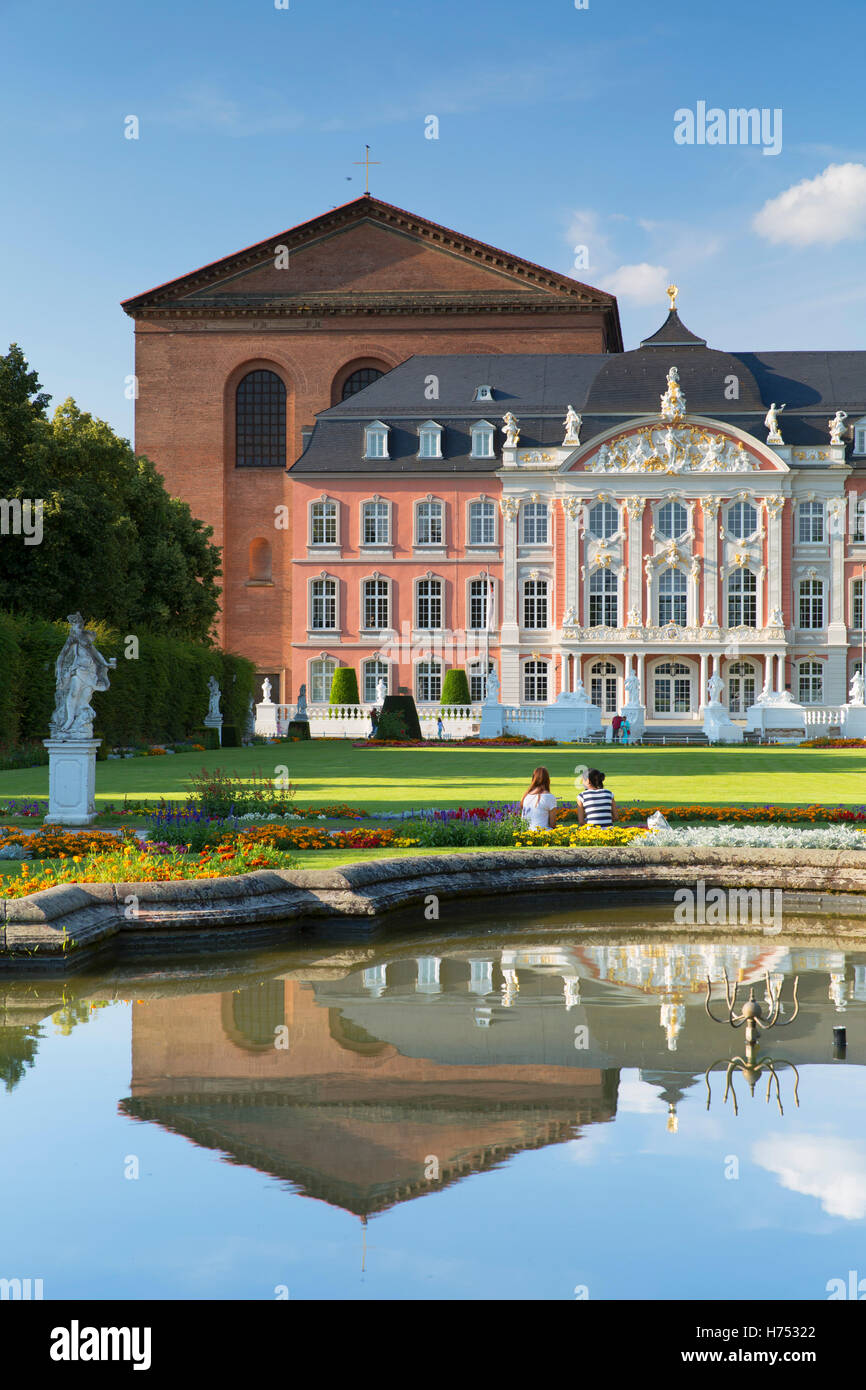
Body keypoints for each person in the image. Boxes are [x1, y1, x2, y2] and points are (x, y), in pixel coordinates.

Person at [520, 766, 557, 832]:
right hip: (542, 834)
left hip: (526, 833)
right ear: (547, 780)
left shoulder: (527, 796)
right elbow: (553, 824)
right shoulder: (549, 797)